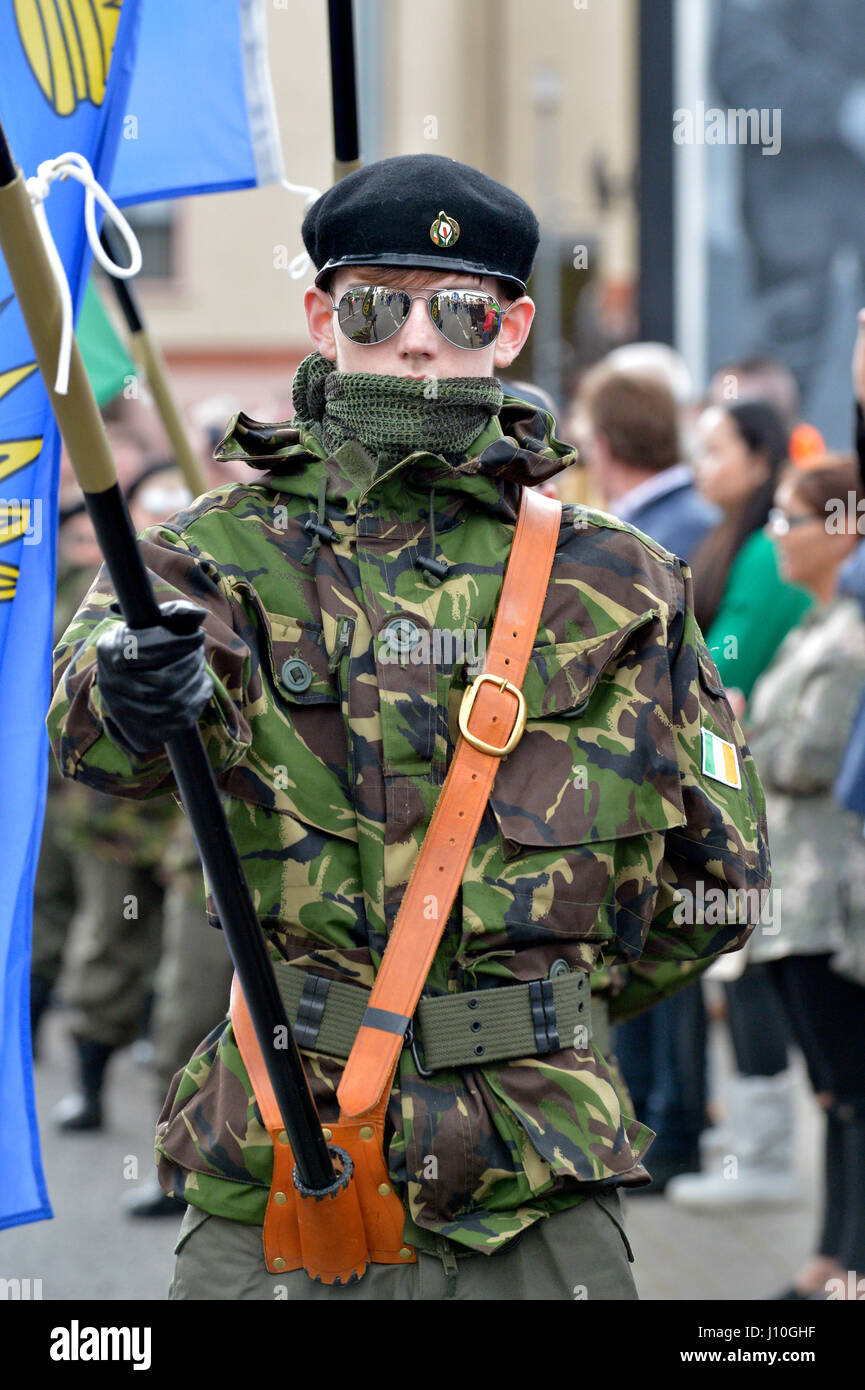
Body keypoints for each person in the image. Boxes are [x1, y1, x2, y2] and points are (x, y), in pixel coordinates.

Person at [46, 153, 770, 1301]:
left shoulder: (622, 578)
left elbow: (720, 874)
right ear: (322, 318)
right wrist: (127, 689)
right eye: (377, 305)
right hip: (287, 1158)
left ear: (513, 325)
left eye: (460, 307)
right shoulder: (217, 551)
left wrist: (536, 1007)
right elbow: (93, 739)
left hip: (536, 1179)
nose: (418, 341)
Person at [744, 455, 865, 1298]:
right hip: (792, 893)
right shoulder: (811, 628)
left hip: (830, 897)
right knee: (831, 1092)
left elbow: (806, 758)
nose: (772, 535)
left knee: (851, 1089)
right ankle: (832, 1252)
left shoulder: (850, 637)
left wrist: (742, 746)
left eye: (788, 518)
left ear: (842, 528)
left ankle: (848, 1260)